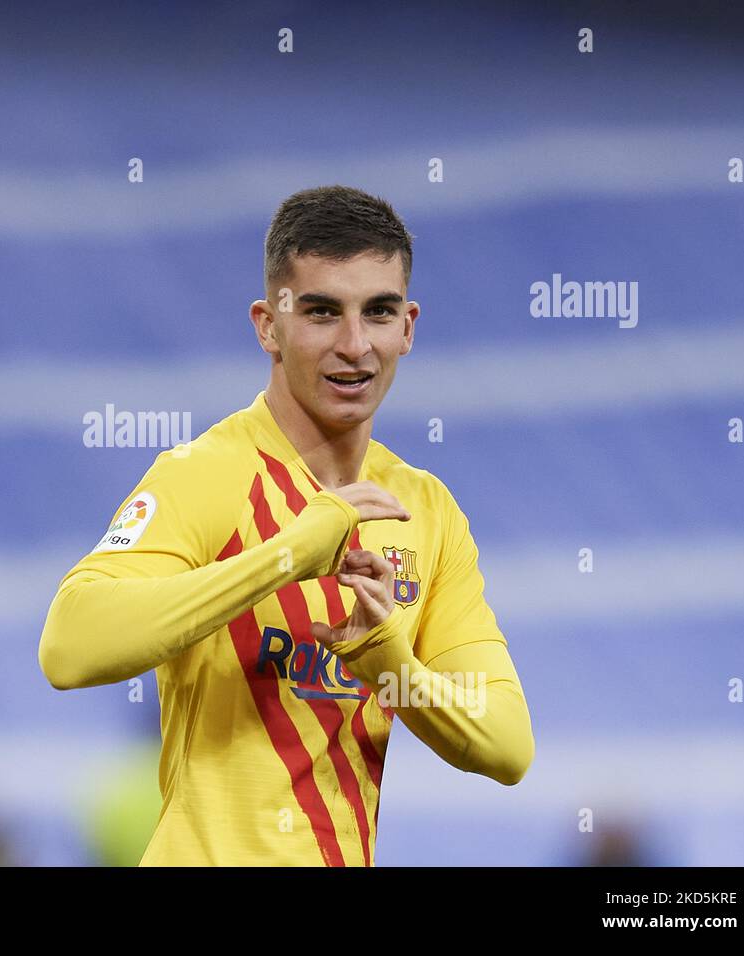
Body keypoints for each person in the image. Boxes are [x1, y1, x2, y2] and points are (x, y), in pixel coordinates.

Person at [38, 185, 535, 866]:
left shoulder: (425, 509)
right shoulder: (204, 473)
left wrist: (391, 666)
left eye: (379, 312)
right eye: (323, 312)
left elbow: (508, 746)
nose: (355, 345)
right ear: (268, 324)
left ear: (409, 327)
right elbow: (69, 645)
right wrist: (285, 556)